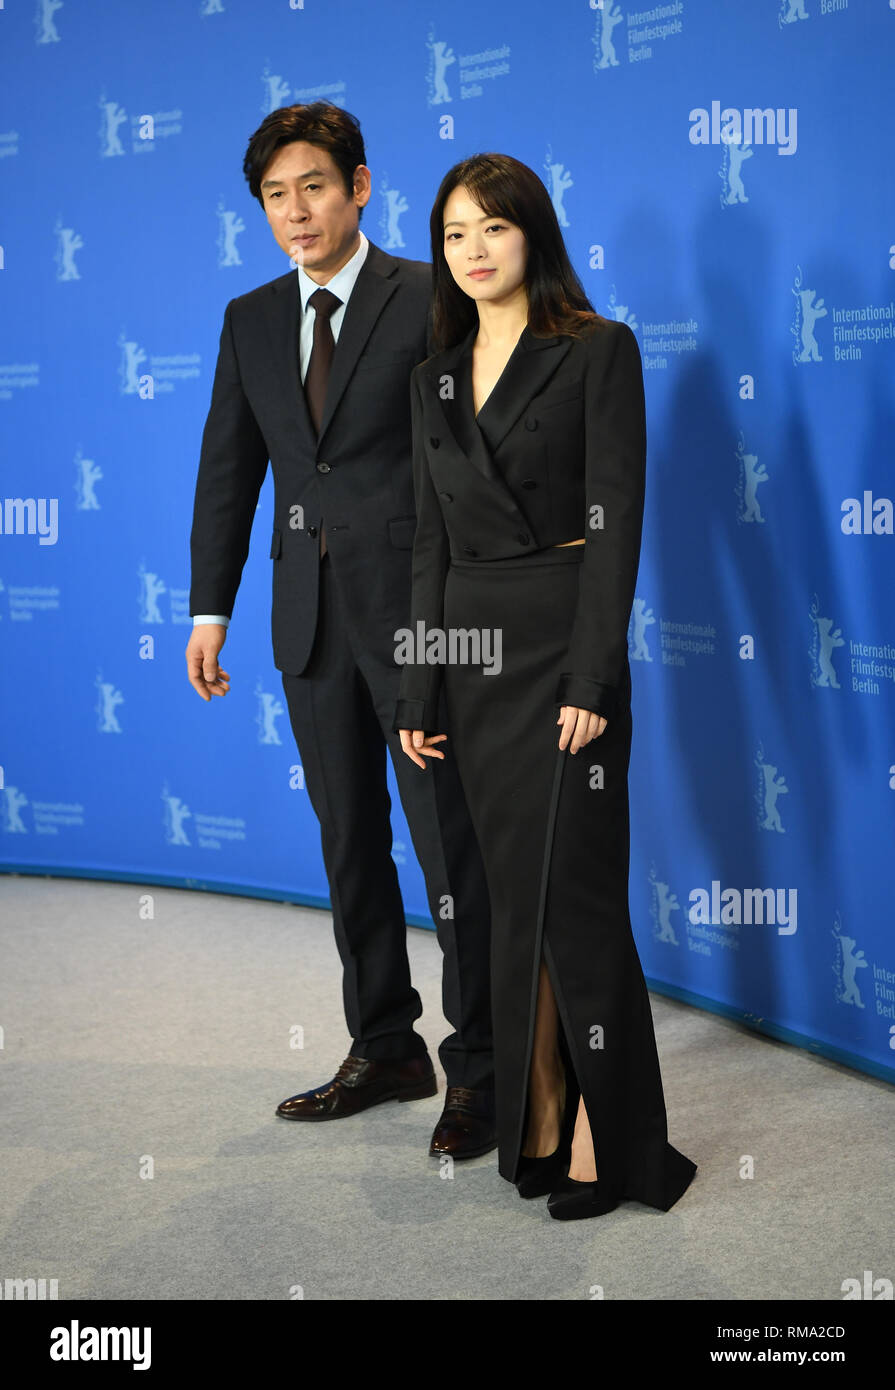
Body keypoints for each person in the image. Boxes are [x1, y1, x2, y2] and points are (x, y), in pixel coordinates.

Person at [186, 104, 497, 1161]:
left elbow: (465, 455)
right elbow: (229, 473)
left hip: (423, 628)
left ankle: (483, 1067)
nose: (295, 211)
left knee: (450, 846)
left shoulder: (430, 293)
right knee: (349, 842)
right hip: (307, 624)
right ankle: (385, 1044)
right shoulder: (250, 318)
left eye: (312, 186)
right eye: (275, 195)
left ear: (358, 187)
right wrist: (208, 609)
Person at [394, 153, 697, 1219]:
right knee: (507, 900)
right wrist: (419, 689)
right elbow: (427, 544)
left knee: (575, 898)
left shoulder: (595, 351)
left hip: (563, 642)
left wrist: (591, 673)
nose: (472, 253)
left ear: (534, 236)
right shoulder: (430, 375)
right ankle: (537, 1110)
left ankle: (609, 1142)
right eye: (452, 235)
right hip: (469, 656)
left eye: (492, 229)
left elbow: (617, 525)